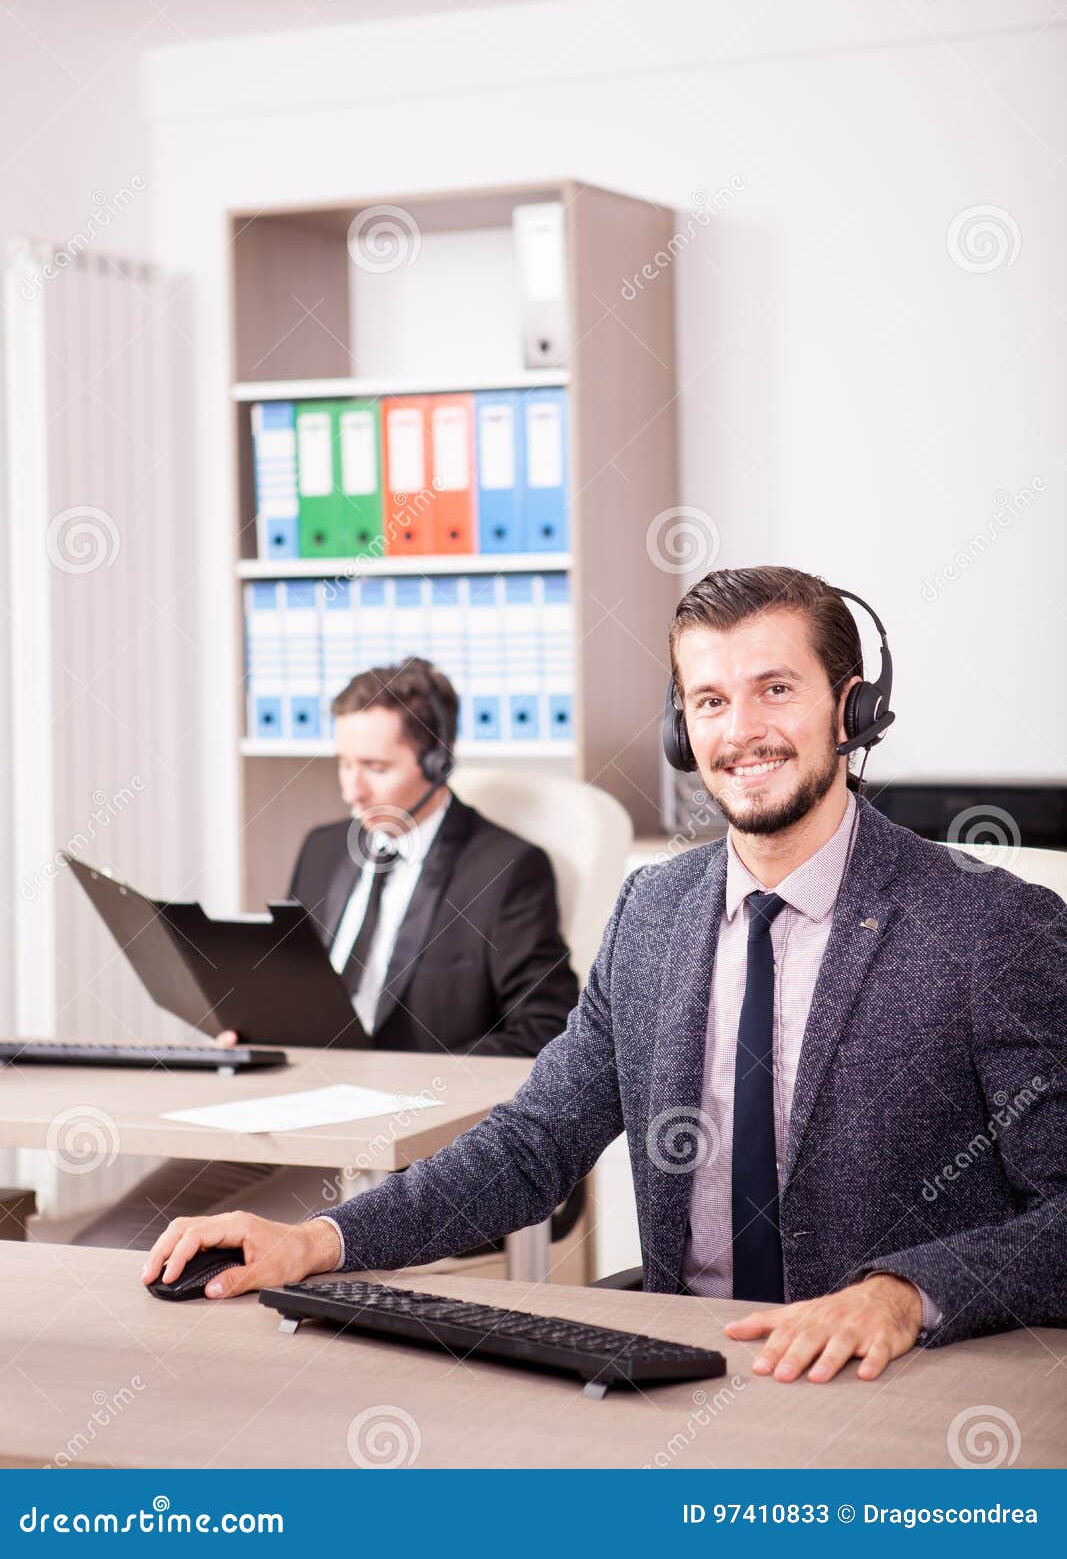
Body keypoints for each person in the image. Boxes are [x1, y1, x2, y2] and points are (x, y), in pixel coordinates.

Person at [141, 569, 1066, 1385]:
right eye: (708, 701)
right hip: (684, 1369)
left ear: (851, 709)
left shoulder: (987, 928)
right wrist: (312, 1242)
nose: (740, 732)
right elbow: (532, 1145)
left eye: (774, 689)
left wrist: (904, 1295)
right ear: (679, 728)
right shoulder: (652, 914)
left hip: (890, 1378)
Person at [78, 657, 578, 1249]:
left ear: (437, 761)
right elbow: (299, 987)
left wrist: (405, 1090)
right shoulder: (323, 850)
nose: (351, 790)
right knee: (109, 1240)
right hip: (290, 1126)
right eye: (344, 763)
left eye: (374, 767)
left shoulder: (504, 869)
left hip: (409, 1157)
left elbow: (547, 1031)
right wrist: (251, 1026)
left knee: (197, 1254)